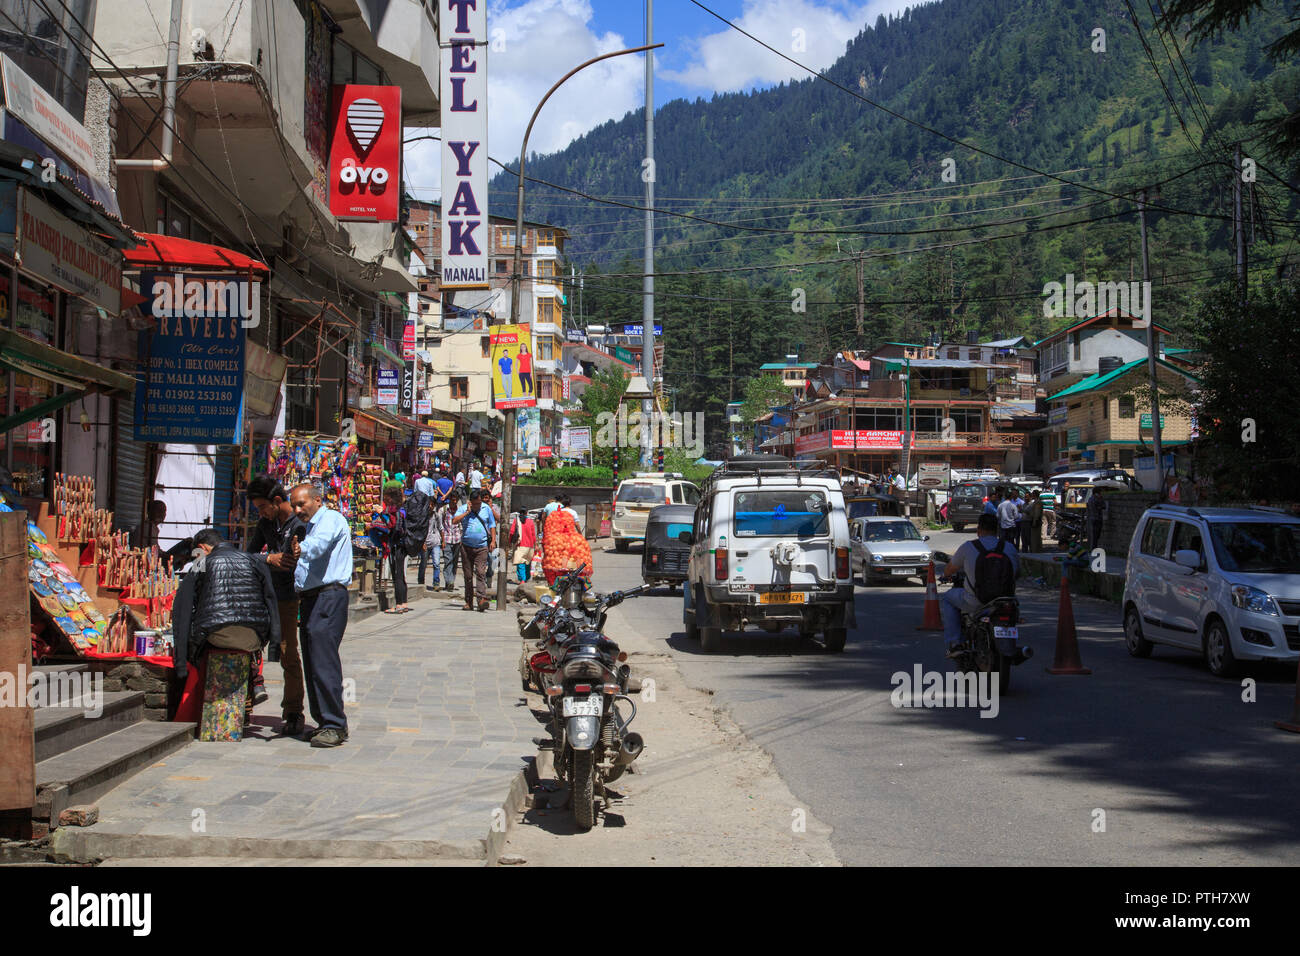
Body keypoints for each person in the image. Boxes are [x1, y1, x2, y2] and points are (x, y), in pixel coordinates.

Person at [172, 528, 279, 739]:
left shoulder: (202, 562)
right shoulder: (254, 560)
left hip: (216, 634)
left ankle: (215, 712)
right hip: (253, 636)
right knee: (244, 645)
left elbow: (182, 609)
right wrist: (273, 644)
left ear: (202, 548)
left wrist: (182, 662)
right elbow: (271, 601)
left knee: (209, 640)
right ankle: (254, 683)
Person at [289, 483, 353, 748]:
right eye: (294, 505)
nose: (297, 509)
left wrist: (301, 549)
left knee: (323, 660)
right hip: (312, 598)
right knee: (313, 661)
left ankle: (334, 724)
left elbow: (318, 546)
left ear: (317, 500)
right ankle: (323, 721)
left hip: (329, 597)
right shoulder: (309, 526)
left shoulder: (330, 519)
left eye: (301, 504)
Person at [245, 477, 307, 736]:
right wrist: (268, 558)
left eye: (262, 507)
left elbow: (297, 561)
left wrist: (280, 560)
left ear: (277, 501)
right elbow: (249, 555)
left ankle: (293, 711)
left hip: (287, 597)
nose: (260, 513)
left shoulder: (300, 524)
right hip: (262, 595)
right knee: (248, 649)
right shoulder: (265, 524)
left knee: (288, 653)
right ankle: (245, 703)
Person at [940, 514, 1019, 656]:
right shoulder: (1009, 547)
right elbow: (1017, 572)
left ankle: (955, 643)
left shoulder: (969, 547)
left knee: (947, 598)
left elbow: (949, 570)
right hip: (1005, 601)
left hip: (976, 601)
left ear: (979, 529)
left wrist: (946, 575)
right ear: (997, 530)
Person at [456, 488, 496, 612]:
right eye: (475, 504)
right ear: (470, 502)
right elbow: (454, 520)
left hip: (482, 546)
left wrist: (493, 541)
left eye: (479, 503)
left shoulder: (486, 509)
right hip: (466, 547)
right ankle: (468, 602)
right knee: (468, 575)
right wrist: (467, 512)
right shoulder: (464, 508)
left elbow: (492, 525)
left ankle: (481, 599)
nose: (477, 506)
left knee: (480, 572)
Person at [440, 490, 463, 592]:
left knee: (454, 561)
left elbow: (462, 525)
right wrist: (442, 540)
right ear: (449, 499)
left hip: (457, 539)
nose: (454, 502)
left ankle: (451, 581)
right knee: (447, 561)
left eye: (456, 500)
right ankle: (449, 582)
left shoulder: (460, 510)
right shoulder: (443, 510)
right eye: (453, 500)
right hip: (447, 539)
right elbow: (440, 525)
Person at [512, 511, 537, 582]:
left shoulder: (516, 521)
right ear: (526, 513)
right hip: (530, 546)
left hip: (520, 545)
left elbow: (511, 532)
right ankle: (526, 578)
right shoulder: (530, 522)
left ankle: (522, 579)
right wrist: (536, 544)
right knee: (527, 563)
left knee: (520, 563)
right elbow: (533, 534)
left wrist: (511, 541)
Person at [1086, 487, 1108, 551]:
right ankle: (1094, 548)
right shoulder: (1098, 499)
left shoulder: (1090, 499)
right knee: (1096, 535)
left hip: (1092, 518)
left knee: (1094, 534)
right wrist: (1101, 499)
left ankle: (1093, 548)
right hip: (1097, 518)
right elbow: (1104, 506)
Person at [1024, 490, 1044, 555]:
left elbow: (1037, 513)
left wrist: (1034, 522)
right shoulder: (1035, 502)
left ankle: (1035, 552)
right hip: (1034, 521)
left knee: (1035, 539)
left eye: (1032, 494)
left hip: (1035, 522)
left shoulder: (1037, 502)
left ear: (1034, 495)